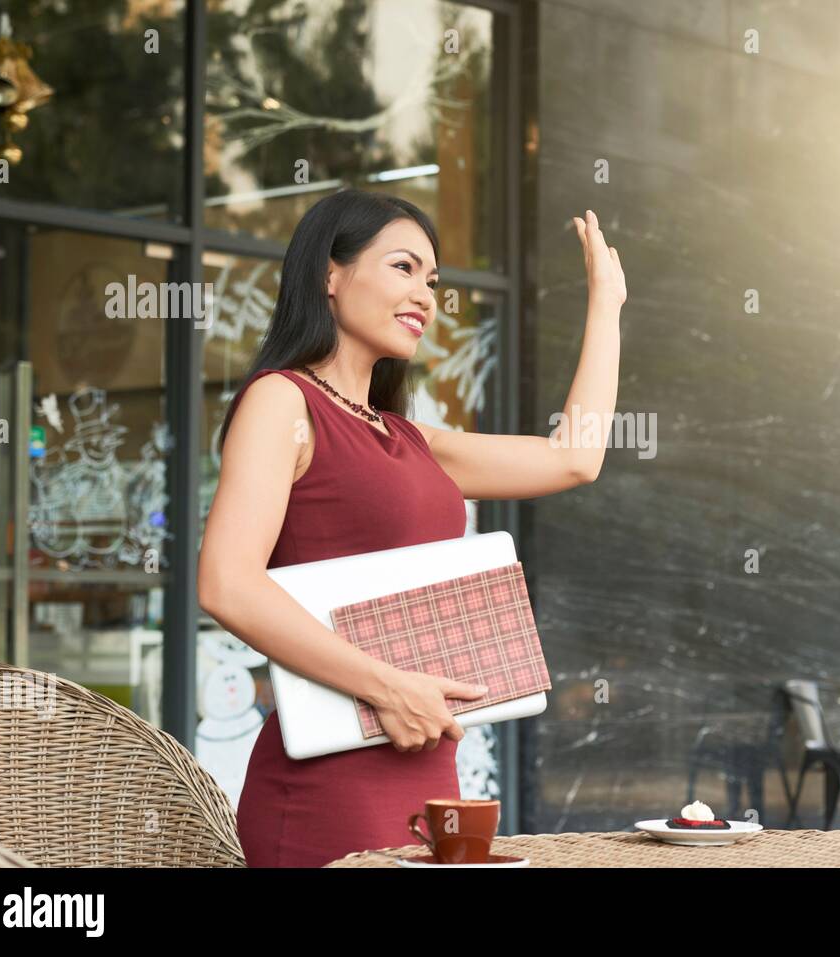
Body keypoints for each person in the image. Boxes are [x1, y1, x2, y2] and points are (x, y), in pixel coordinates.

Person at [198, 190, 626, 866]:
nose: (426, 295)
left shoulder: (410, 437)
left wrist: (607, 305)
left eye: (432, 280)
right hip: (327, 784)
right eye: (403, 267)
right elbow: (227, 584)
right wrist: (389, 687)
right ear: (329, 275)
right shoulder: (283, 401)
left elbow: (574, 456)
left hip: (430, 769)